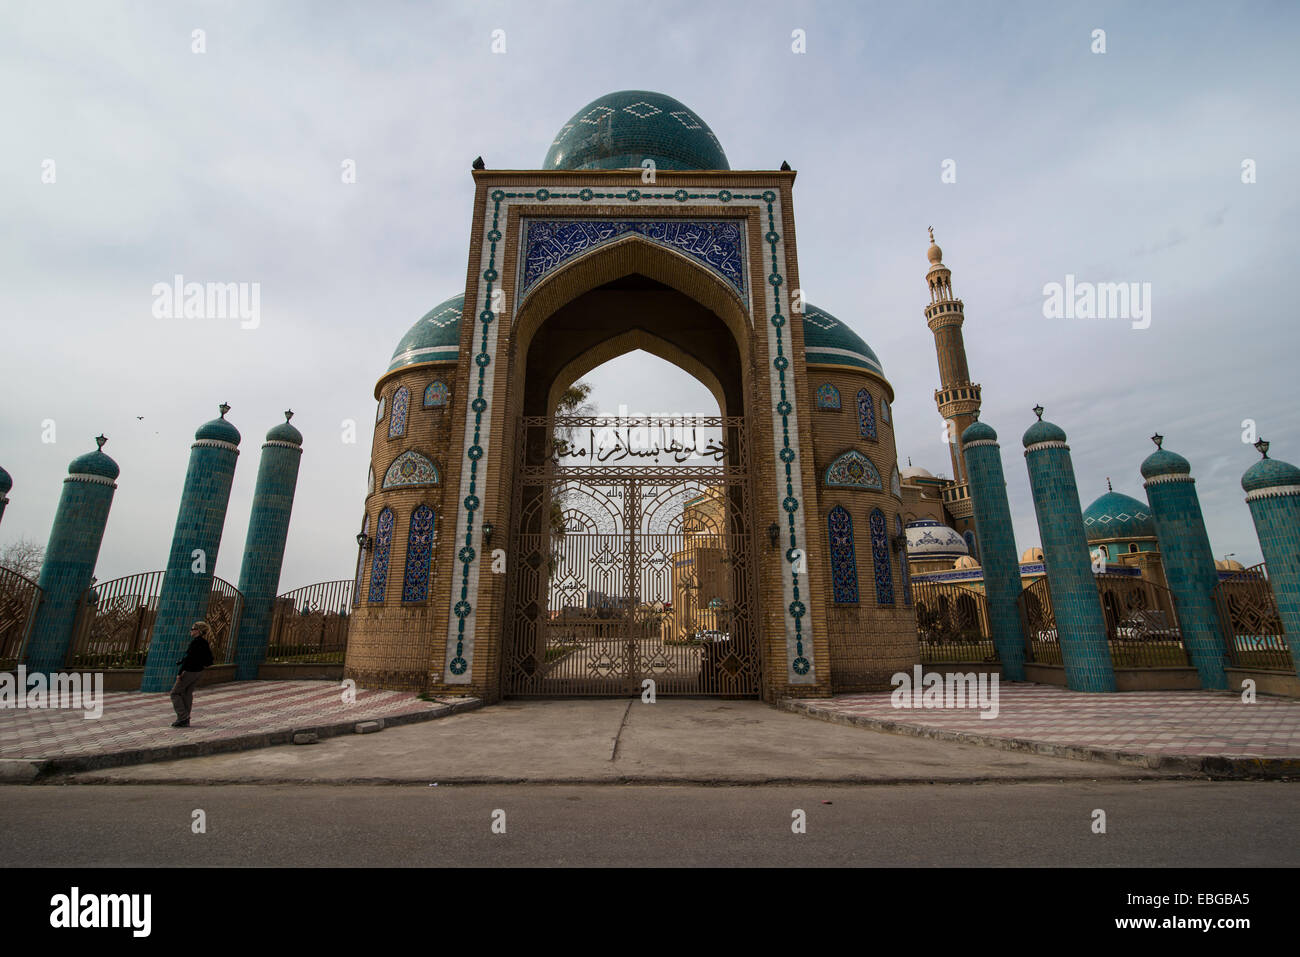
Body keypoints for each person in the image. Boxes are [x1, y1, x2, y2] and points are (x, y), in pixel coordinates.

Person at [170, 621, 214, 727]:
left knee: (175, 693)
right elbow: (209, 659)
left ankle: (183, 717)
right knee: (187, 693)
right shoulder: (204, 643)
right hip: (198, 671)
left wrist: (180, 672)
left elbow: (188, 659)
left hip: (189, 671)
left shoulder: (195, 643)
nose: (191, 630)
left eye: (193, 628)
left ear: (198, 631)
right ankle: (185, 719)